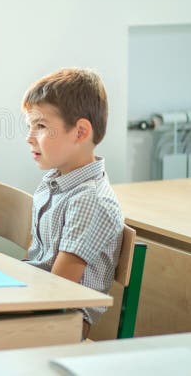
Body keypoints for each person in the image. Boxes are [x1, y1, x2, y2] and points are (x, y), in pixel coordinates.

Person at [22, 67, 123, 338]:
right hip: (37, 302)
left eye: (40, 126)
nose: (29, 137)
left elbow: (59, 289)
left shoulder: (90, 200)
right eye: (29, 126)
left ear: (80, 132)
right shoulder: (55, 182)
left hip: (60, 321)